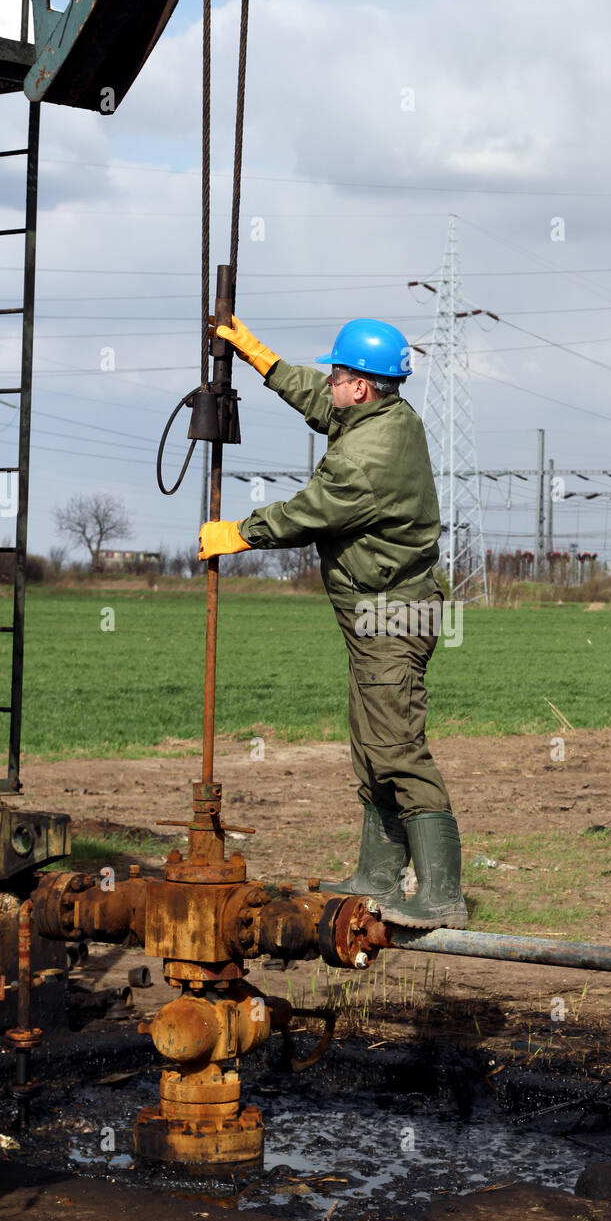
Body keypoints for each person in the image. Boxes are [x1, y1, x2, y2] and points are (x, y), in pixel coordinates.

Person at [198, 315, 468, 930]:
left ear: (362, 386)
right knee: (372, 746)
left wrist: (241, 532)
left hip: (392, 614)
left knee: (397, 749)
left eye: (338, 372)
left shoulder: (366, 459)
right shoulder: (383, 415)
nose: (331, 379)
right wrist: (261, 360)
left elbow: (309, 512)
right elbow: (319, 400)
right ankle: (376, 876)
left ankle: (441, 896)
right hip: (380, 611)